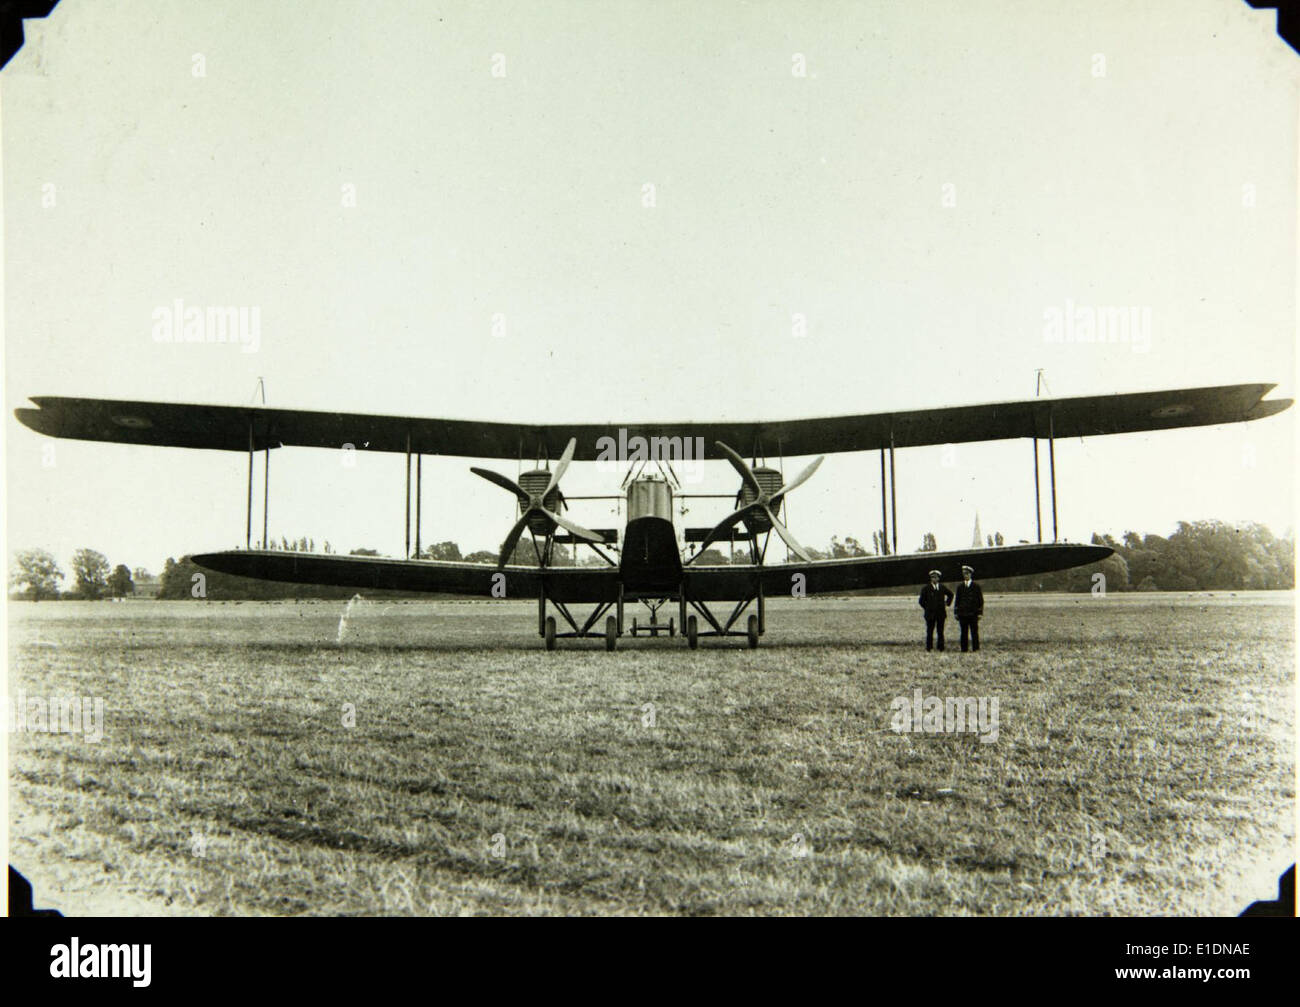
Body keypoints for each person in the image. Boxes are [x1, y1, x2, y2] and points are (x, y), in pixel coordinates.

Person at [917, 569, 952, 651]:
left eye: (936, 577)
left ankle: (941, 647)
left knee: (940, 631)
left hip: (940, 613)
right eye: (932, 577)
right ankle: (929, 647)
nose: (934, 579)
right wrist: (927, 608)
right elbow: (921, 601)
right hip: (930, 614)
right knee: (930, 631)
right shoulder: (926, 588)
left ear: (938, 578)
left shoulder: (942, 587)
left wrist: (947, 603)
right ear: (930, 579)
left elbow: (951, 594)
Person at [954, 564, 984, 652]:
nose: (965, 575)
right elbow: (957, 600)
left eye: (967, 574)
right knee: (964, 632)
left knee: (974, 632)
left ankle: (976, 648)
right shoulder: (960, 587)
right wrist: (956, 612)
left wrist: (980, 613)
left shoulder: (976, 587)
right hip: (963, 613)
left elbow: (980, 601)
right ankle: (964, 649)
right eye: (964, 574)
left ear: (970, 574)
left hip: (973, 613)